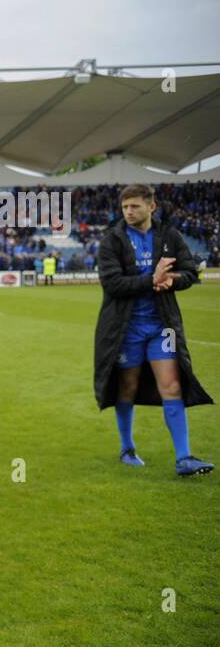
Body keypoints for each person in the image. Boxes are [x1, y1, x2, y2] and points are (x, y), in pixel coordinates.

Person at [94, 184, 212, 476]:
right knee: (127, 388)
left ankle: (184, 458)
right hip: (125, 329)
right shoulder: (113, 240)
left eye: (135, 206)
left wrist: (172, 280)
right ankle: (127, 448)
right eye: (125, 207)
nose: (129, 212)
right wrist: (151, 279)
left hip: (162, 326)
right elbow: (112, 284)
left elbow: (189, 272)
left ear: (152, 206)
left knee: (172, 385)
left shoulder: (169, 236)